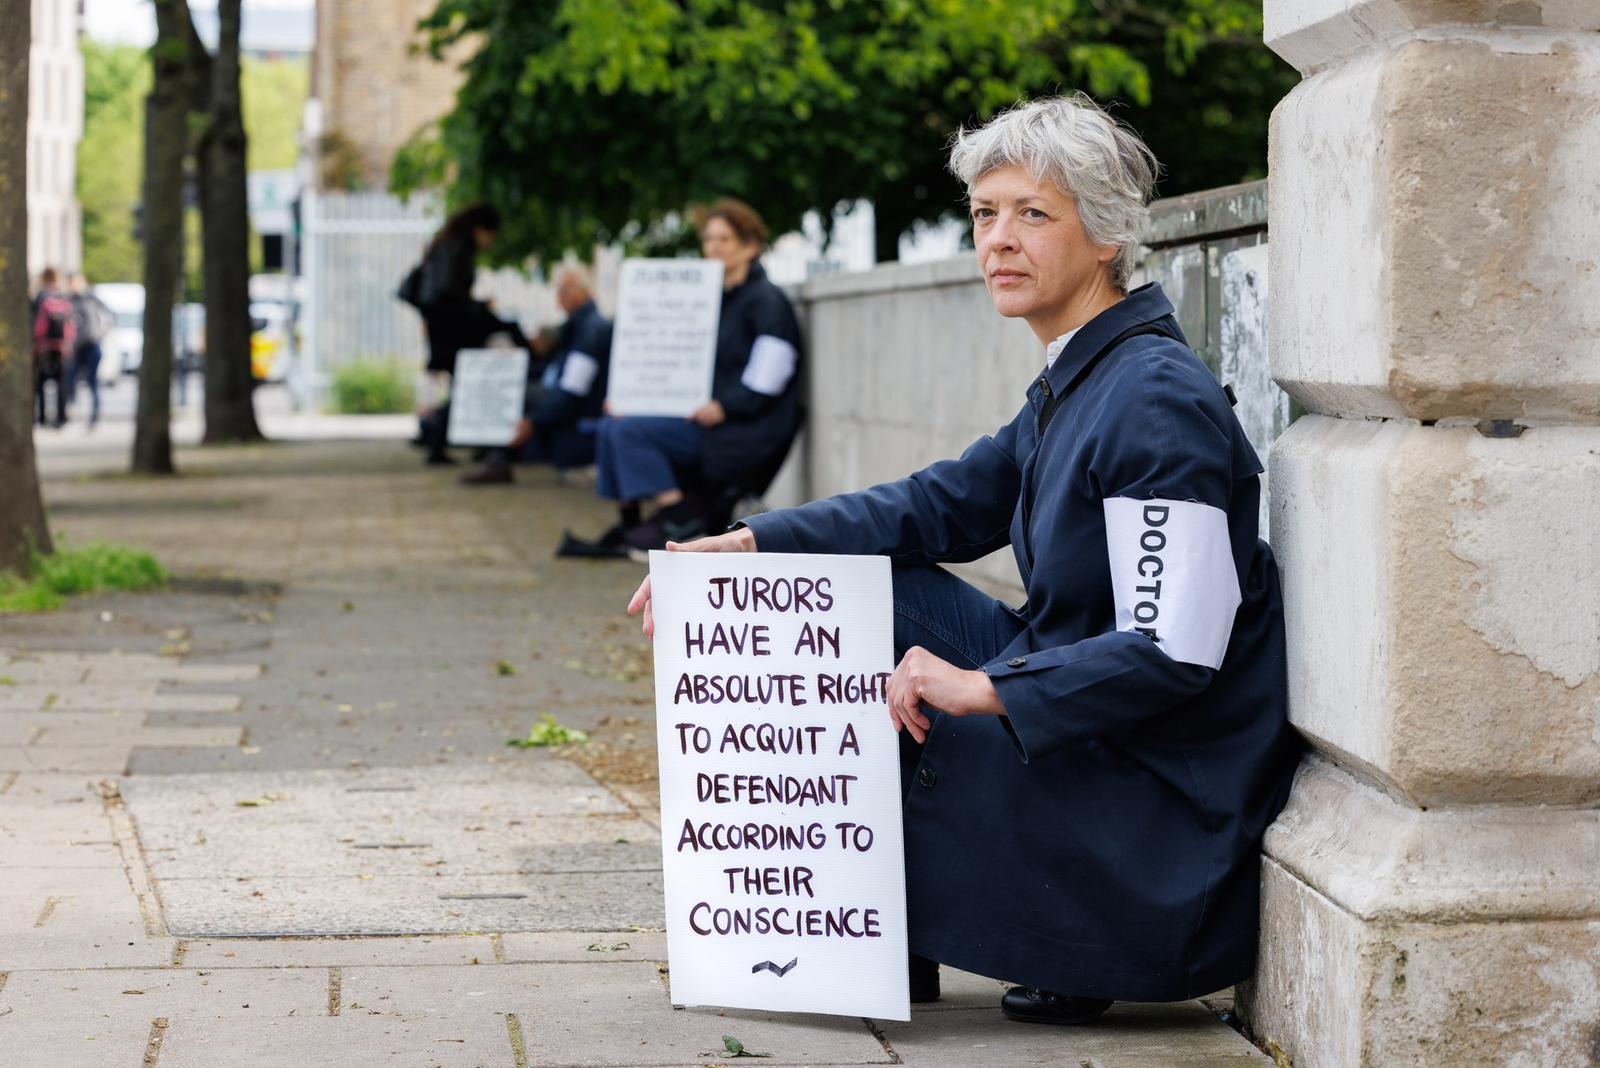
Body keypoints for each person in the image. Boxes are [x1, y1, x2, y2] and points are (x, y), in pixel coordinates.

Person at [625, 95, 1300, 1024]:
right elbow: (939, 504)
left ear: (1107, 236)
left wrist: (985, 688)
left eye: (1034, 214)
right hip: (1096, 737)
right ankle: (865, 943)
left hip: (1156, 812)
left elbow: (1173, 649)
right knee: (865, 590)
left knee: (896, 632)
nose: (1000, 240)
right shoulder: (1081, 376)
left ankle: (1011, 940)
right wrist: (753, 542)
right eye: (987, 214)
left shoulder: (1153, 401)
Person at [564, 198, 802, 557]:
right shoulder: (715, 301)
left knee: (631, 432)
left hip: (741, 428)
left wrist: (725, 406)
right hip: (705, 417)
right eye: (709, 239)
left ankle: (680, 519)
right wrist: (634, 399)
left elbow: (770, 377)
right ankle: (635, 524)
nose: (713, 247)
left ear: (750, 247)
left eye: (725, 239)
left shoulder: (767, 302)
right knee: (615, 424)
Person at [398, 203, 527, 465]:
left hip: (446, 327)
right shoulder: (456, 248)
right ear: (481, 230)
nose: (491, 242)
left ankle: (455, 442)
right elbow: (446, 292)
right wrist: (477, 307)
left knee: (465, 383)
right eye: (491, 235)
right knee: (470, 381)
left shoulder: (446, 245)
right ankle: (457, 441)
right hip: (453, 328)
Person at [460, 264, 613, 485]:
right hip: (562, 397)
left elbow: (573, 388)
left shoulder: (590, 330)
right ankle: (496, 457)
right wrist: (512, 365)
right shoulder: (578, 326)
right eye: (559, 291)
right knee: (503, 381)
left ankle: (498, 461)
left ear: (584, 292)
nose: (559, 298)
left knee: (509, 393)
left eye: (565, 291)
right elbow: (555, 370)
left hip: (577, 408)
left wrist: (534, 421)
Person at [32, 267, 76, 428]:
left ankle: (42, 417)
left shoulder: (40, 297)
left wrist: (38, 343)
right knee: (62, 383)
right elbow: (71, 325)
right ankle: (61, 417)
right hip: (62, 347)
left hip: (44, 347)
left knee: (41, 383)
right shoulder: (64, 297)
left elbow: (36, 325)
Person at [69, 273, 112, 430]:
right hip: (76, 347)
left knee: (92, 382)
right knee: (70, 379)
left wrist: (101, 333)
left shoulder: (91, 299)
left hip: (92, 345)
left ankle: (94, 416)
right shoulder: (69, 300)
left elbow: (110, 315)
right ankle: (71, 410)